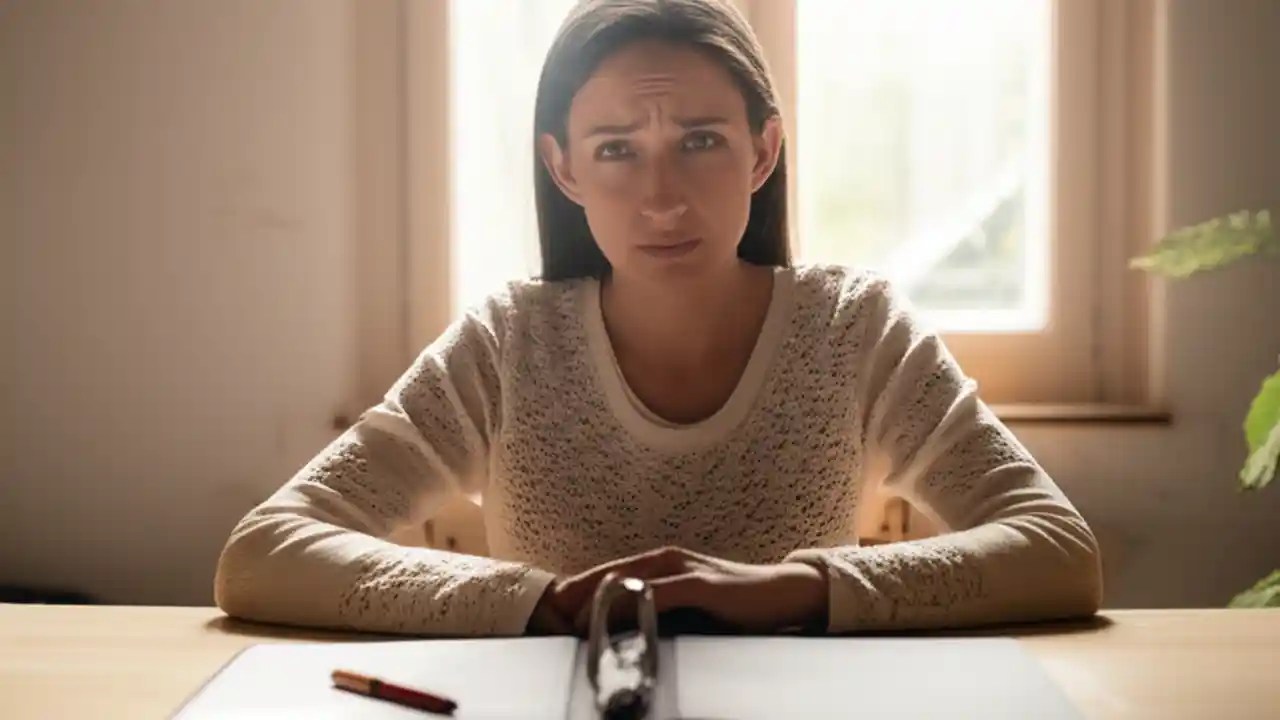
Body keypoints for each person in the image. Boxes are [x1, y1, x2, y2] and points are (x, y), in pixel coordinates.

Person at [214, 0, 1102, 638]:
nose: (662, 198)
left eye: (700, 141)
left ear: (763, 150)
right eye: (616, 152)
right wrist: (541, 603)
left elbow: (1058, 551)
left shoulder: (851, 328)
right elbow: (263, 554)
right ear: (564, 171)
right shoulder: (507, 344)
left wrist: (786, 590)